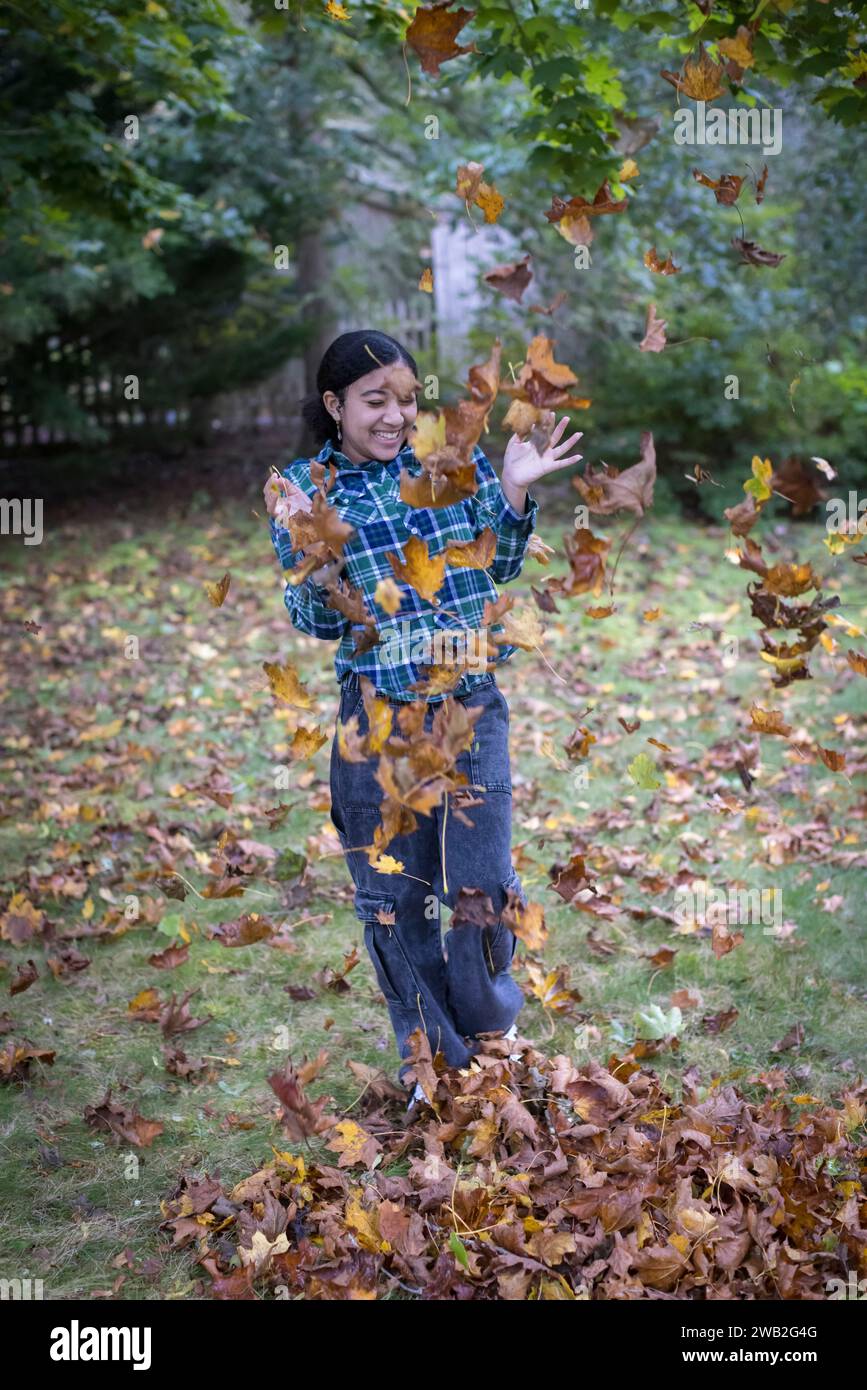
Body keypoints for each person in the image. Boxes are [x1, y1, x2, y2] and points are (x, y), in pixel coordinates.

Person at [263, 330, 582, 1107]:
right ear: (335, 405)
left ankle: (483, 1025)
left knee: (478, 888)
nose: (395, 416)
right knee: (393, 897)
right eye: (376, 401)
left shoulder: (448, 465)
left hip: (469, 705)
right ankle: (428, 1061)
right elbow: (311, 616)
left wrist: (510, 490)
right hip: (375, 717)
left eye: (406, 400)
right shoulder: (304, 487)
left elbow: (497, 563)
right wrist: (316, 551)